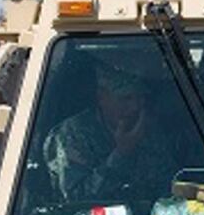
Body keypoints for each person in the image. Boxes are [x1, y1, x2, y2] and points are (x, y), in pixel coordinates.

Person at [43, 60, 180, 202]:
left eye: (140, 98)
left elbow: (168, 183)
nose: (135, 107)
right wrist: (122, 154)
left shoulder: (147, 128)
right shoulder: (72, 134)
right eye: (125, 99)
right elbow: (76, 199)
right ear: (102, 97)